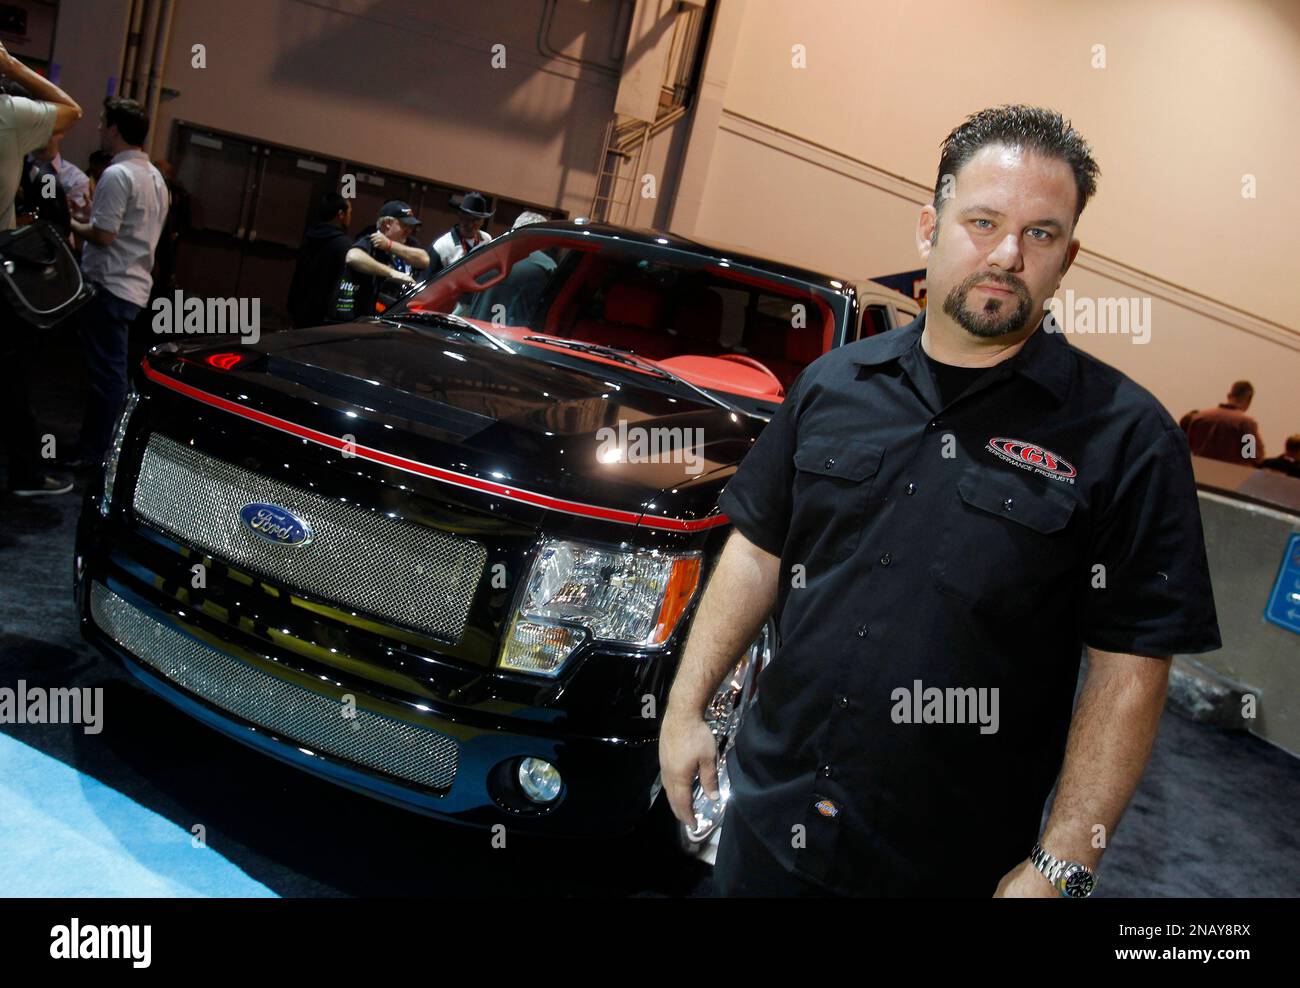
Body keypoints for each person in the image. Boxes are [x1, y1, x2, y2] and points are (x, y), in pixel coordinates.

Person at [660, 105, 1221, 898]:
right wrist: (689, 708)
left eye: (1041, 234)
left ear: (1069, 257)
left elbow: (1128, 667)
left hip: (949, 863)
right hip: (767, 819)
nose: (1006, 255)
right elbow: (757, 553)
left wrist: (1065, 863)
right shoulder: (832, 387)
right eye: (983, 221)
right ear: (930, 227)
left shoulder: (1127, 438)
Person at [0, 41, 82, 496]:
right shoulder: (8, 114)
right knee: (11, 376)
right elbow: (70, 110)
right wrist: (12, 64)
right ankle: (28, 473)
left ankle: (27, 470)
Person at [67, 97, 168, 467]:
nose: (97, 128)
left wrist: (72, 225)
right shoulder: (156, 178)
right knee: (111, 375)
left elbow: (105, 235)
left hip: (108, 285)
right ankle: (99, 451)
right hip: (134, 287)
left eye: (101, 121)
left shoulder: (117, 174)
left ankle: (97, 454)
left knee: (106, 380)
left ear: (114, 128)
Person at [332, 200, 428, 321]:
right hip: (364, 318)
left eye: (411, 226)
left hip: (395, 317)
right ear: (387, 223)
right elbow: (353, 256)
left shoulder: (409, 243)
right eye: (404, 225)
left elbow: (424, 260)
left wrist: (389, 245)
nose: (409, 231)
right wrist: (393, 273)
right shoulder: (372, 241)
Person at [461, 210, 554, 326]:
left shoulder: (482, 255)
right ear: (543, 237)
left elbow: (462, 299)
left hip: (475, 335)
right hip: (513, 341)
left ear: (512, 231)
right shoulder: (547, 266)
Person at [287, 191, 353, 328]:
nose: (350, 217)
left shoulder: (310, 237)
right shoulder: (343, 245)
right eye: (349, 213)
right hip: (323, 316)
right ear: (340, 214)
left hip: (300, 308)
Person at [1183, 381, 1264, 465]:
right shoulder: (1246, 424)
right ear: (1249, 399)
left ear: (1229, 395)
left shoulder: (1199, 417)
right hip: (1231, 475)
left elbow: (1186, 448)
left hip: (1198, 473)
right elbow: (1252, 457)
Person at [430, 190, 493, 271]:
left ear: (483, 221)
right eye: (466, 219)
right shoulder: (441, 246)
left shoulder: (487, 240)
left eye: (476, 220)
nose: (470, 225)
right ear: (460, 215)